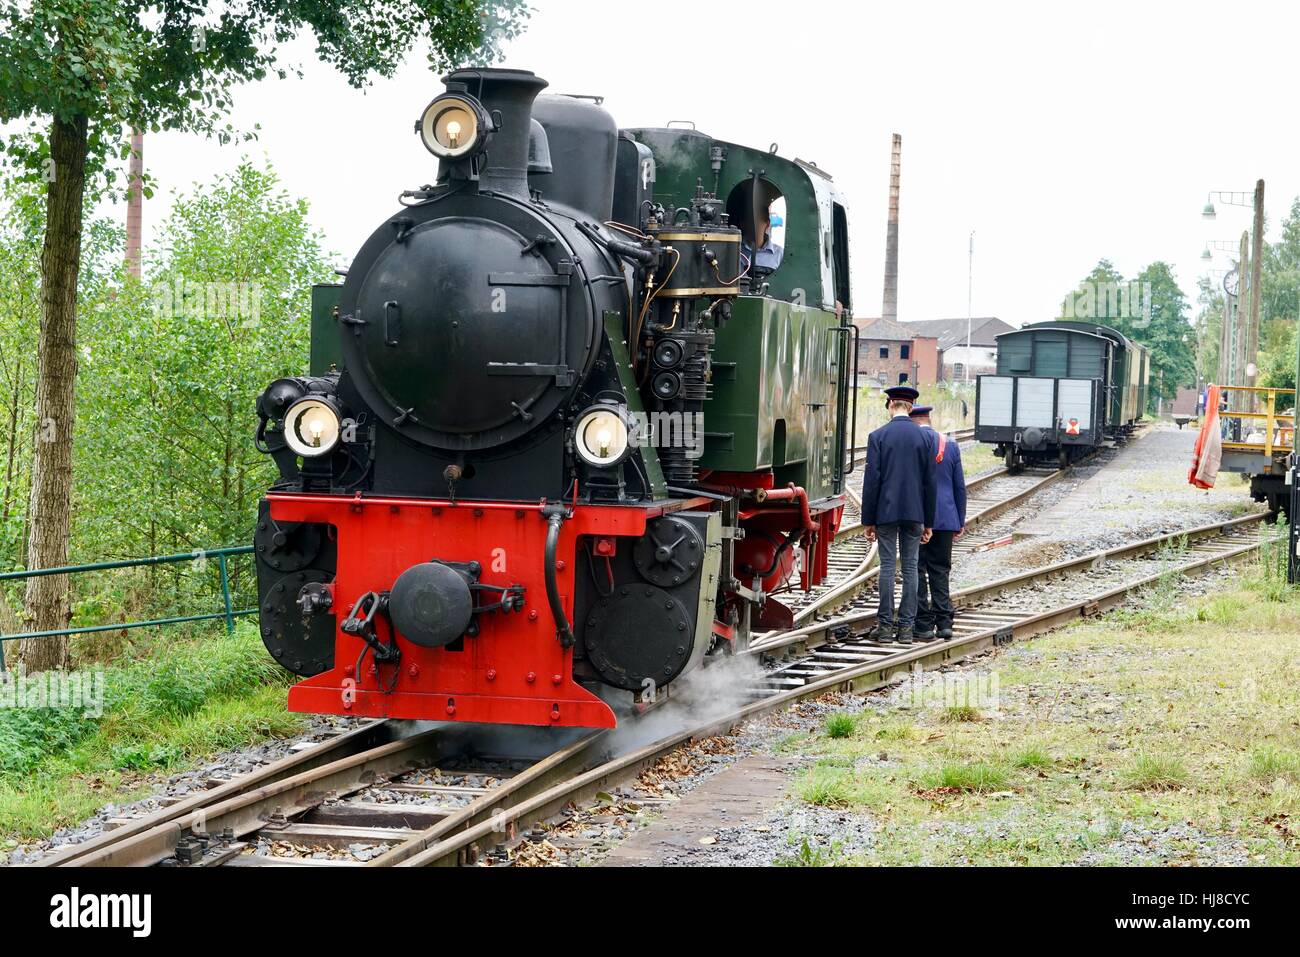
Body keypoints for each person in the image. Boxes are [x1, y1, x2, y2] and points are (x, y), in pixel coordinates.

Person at [860, 385, 936, 643]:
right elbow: (929, 482)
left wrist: (869, 520)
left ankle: (884, 629)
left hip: (886, 512)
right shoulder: (925, 438)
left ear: (890, 405)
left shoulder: (878, 436)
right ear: (911, 407)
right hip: (915, 513)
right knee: (912, 568)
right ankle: (906, 629)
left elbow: (872, 481)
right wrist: (929, 521)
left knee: (888, 568)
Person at [909, 406, 967, 640]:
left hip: (918, 516)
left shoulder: (912, 445)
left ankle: (923, 624)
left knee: (917, 569)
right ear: (929, 420)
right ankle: (945, 623)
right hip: (945, 517)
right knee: (940, 570)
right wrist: (959, 520)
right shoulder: (949, 445)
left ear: (913, 422)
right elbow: (959, 487)